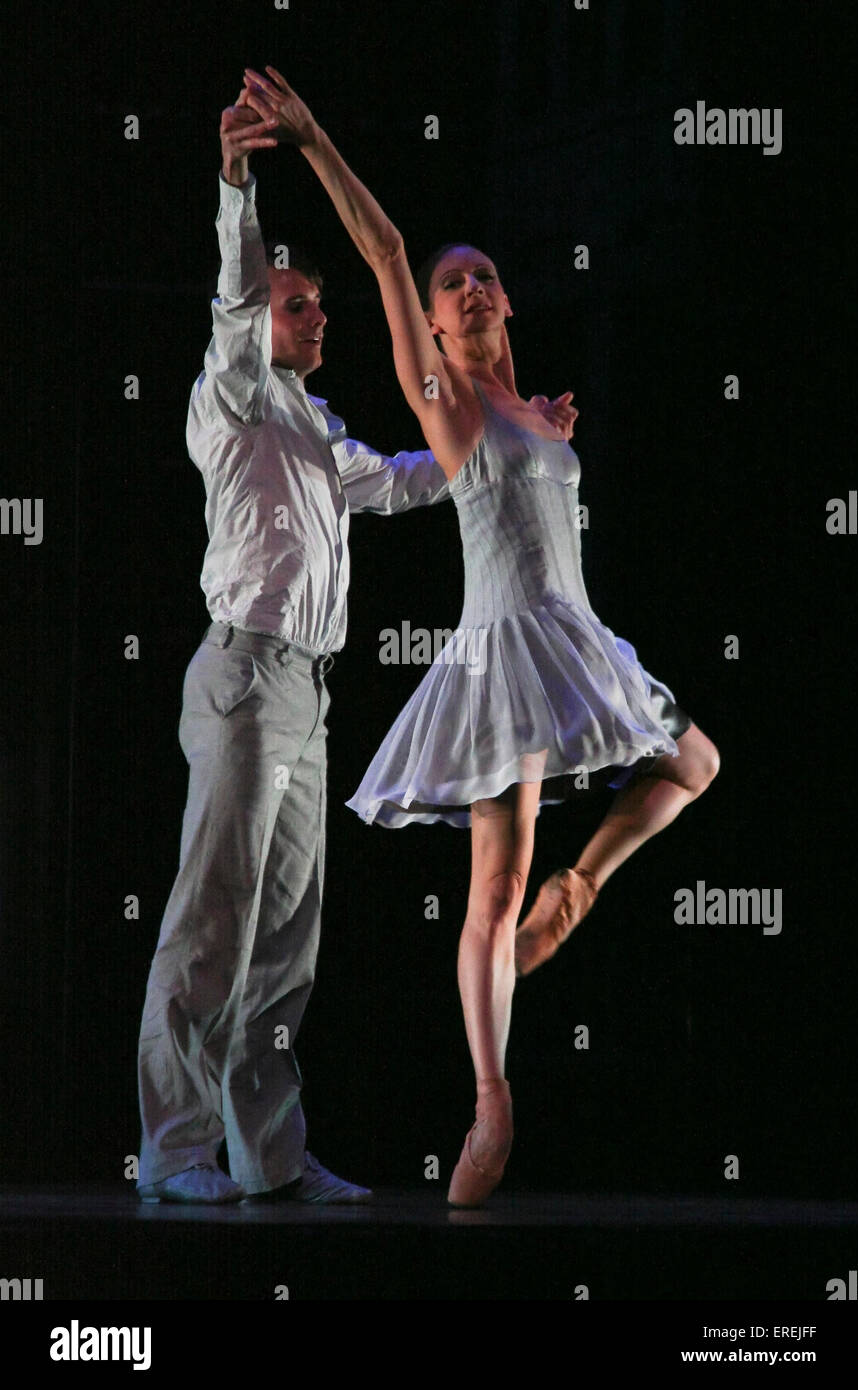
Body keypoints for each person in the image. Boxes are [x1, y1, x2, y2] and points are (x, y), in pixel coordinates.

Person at [240, 67, 720, 1207]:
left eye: (482, 280)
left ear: (503, 308)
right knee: (489, 892)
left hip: (578, 640)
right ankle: (491, 1097)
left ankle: (585, 885)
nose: (464, 291)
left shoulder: (538, 414)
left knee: (693, 764)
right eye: (452, 285)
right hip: (502, 653)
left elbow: (551, 491)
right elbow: (389, 251)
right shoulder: (445, 401)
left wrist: (551, 430)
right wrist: (310, 139)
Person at [135, 86, 459, 1205]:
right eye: (301, 303)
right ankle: (174, 1152)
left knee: (285, 940)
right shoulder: (229, 396)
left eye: (321, 302)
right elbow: (234, 299)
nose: (319, 317)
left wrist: (503, 445)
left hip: (307, 695)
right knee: (210, 923)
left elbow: (410, 481)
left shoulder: (317, 428)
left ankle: (267, 1158)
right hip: (244, 677)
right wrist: (237, 186)